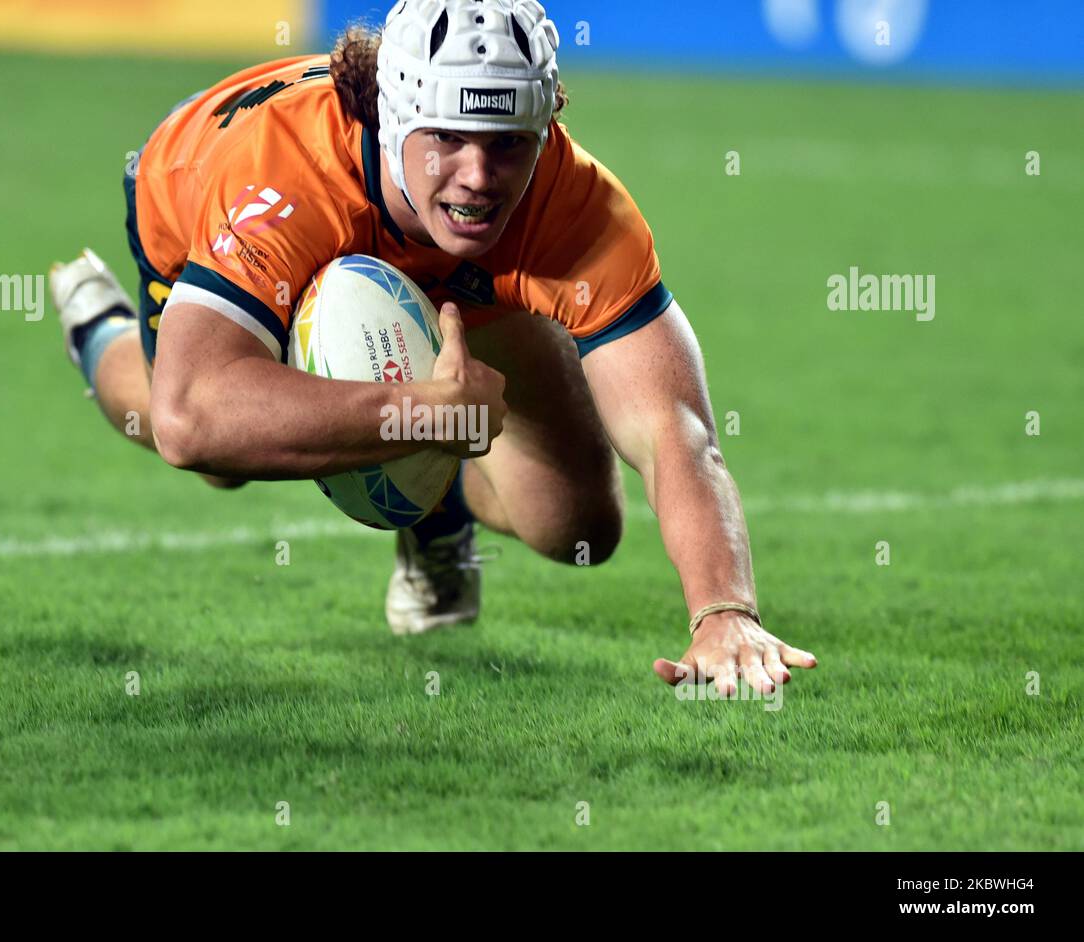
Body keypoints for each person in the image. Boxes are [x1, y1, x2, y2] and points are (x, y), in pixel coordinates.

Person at [50, 0, 816, 693]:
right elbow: (194, 417)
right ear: (392, 115)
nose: (479, 177)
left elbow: (674, 430)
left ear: (547, 124)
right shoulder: (282, 177)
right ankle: (101, 334)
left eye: (508, 143)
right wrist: (421, 412)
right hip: (193, 194)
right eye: (447, 138)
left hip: (445, 267)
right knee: (210, 451)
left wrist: (723, 611)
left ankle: (437, 513)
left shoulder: (573, 202)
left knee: (576, 525)